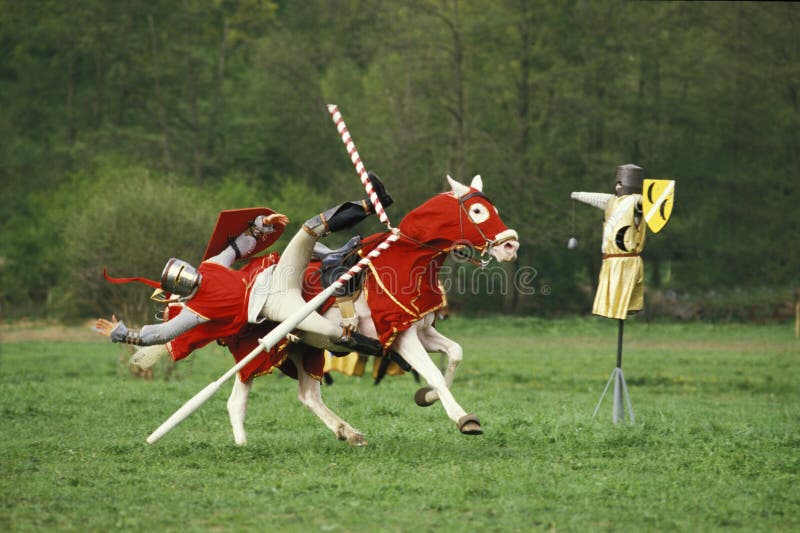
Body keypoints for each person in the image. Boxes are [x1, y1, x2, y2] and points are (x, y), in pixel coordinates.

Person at [96, 173, 395, 360]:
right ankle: (379, 348)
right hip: (274, 305)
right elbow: (161, 334)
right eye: (182, 277)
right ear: (179, 288)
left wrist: (262, 224)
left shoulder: (210, 265)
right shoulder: (194, 311)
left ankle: (372, 203)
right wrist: (122, 333)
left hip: (275, 275)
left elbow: (239, 246)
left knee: (309, 229)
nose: (189, 274)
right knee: (331, 330)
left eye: (184, 268)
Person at [571, 164, 646, 319]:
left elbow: (647, 202)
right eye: (617, 184)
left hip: (625, 261)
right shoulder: (612, 201)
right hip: (610, 260)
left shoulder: (635, 201)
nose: (617, 187)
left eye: (620, 184)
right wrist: (577, 195)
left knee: (622, 298)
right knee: (610, 297)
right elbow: (597, 198)